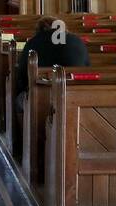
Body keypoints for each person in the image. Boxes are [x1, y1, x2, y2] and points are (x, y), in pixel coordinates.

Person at [11, 16, 90, 161]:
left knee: (18, 101)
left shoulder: (33, 43)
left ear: (41, 29)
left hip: (41, 99)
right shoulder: (77, 41)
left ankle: (25, 148)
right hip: (75, 99)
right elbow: (87, 69)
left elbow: (21, 74)